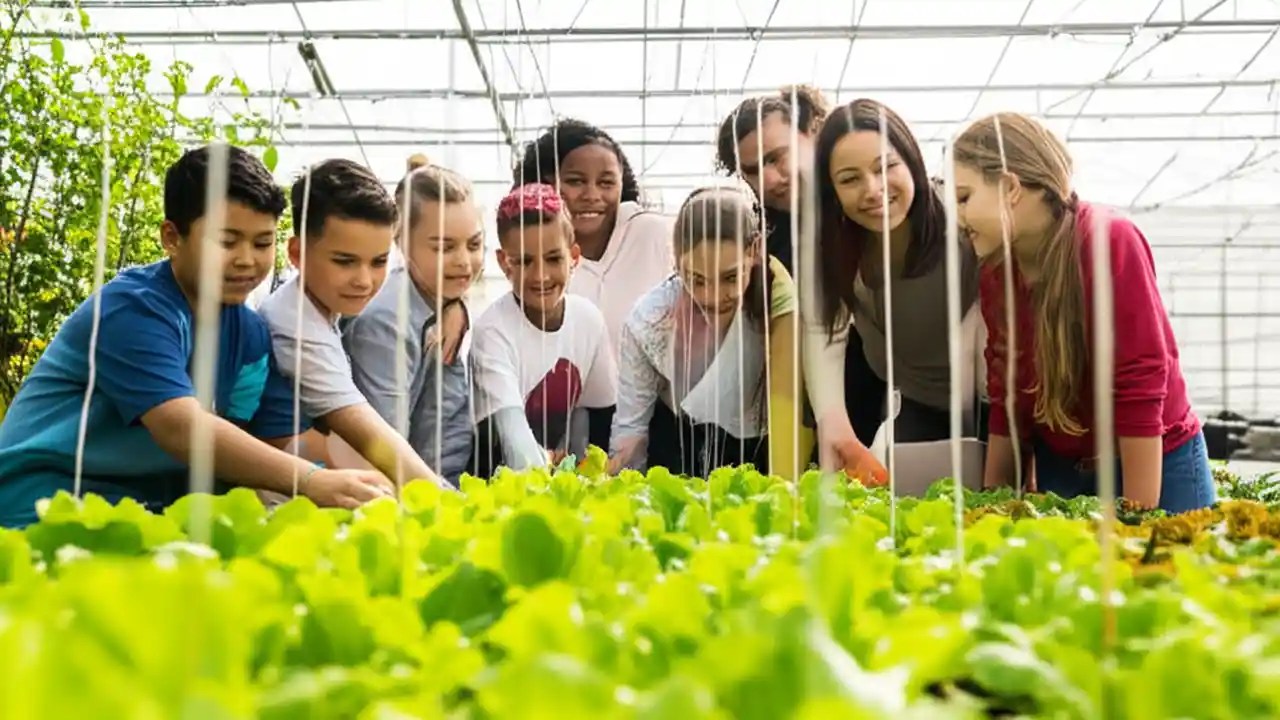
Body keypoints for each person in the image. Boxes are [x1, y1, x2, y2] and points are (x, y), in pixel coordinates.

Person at [0, 145, 393, 528]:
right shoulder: (132, 309)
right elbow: (181, 427)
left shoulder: (249, 333)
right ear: (172, 237)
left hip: (147, 509)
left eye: (262, 242)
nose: (247, 259)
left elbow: (281, 439)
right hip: (42, 503)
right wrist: (312, 480)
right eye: (226, 241)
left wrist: (374, 485)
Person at [951, 112, 1214, 512]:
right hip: (1064, 468)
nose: (958, 216)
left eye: (964, 197)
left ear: (1010, 188)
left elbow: (1140, 378)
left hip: (1155, 460)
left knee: (1162, 570)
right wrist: (995, 507)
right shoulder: (996, 272)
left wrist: (1137, 515)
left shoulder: (1108, 240)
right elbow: (1008, 391)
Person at [802, 98, 985, 486]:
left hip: (989, 405)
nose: (873, 190)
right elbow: (824, 328)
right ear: (831, 190)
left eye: (886, 167)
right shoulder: (828, 244)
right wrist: (834, 424)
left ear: (912, 163)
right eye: (850, 179)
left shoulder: (962, 223)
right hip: (914, 399)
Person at [257, 158, 450, 491]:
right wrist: (444, 501)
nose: (364, 280)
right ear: (297, 253)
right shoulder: (295, 326)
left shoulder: (324, 304)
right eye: (344, 261)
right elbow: (367, 432)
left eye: (378, 262)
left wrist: (452, 305)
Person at [610, 186, 813, 480]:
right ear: (677, 263)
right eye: (697, 280)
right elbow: (632, 427)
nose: (714, 297)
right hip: (680, 443)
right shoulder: (650, 320)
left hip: (762, 446)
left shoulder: (778, 304)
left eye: (731, 277)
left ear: (754, 250)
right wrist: (618, 489)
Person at [515, 119, 673, 450]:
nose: (592, 196)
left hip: (661, 417)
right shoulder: (537, 253)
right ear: (547, 185)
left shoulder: (654, 235)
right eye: (575, 182)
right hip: (573, 425)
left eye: (606, 183)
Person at [343, 157, 483, 488]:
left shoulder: (441, 304)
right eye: (444, 247)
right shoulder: (386, 323)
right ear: (401, 241)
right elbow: (385, 447)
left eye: (474, 244)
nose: (464, 261)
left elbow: (446, 423)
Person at [469, 183, 617, 478]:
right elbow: (515, 446)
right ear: (503, 263)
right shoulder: (493, 331)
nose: (541, 276)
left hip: (558, 482)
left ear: (574, 257)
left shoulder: (588, 320)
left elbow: (600, 421)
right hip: (498, 486)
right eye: (524, 261)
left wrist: (591, 480)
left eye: (553, 258)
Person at [715, 85, 830, 275]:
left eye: (776, 157)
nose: (769, 181)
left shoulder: (861, 206)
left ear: (812, 134)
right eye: (752, 171)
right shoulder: (759, 247)